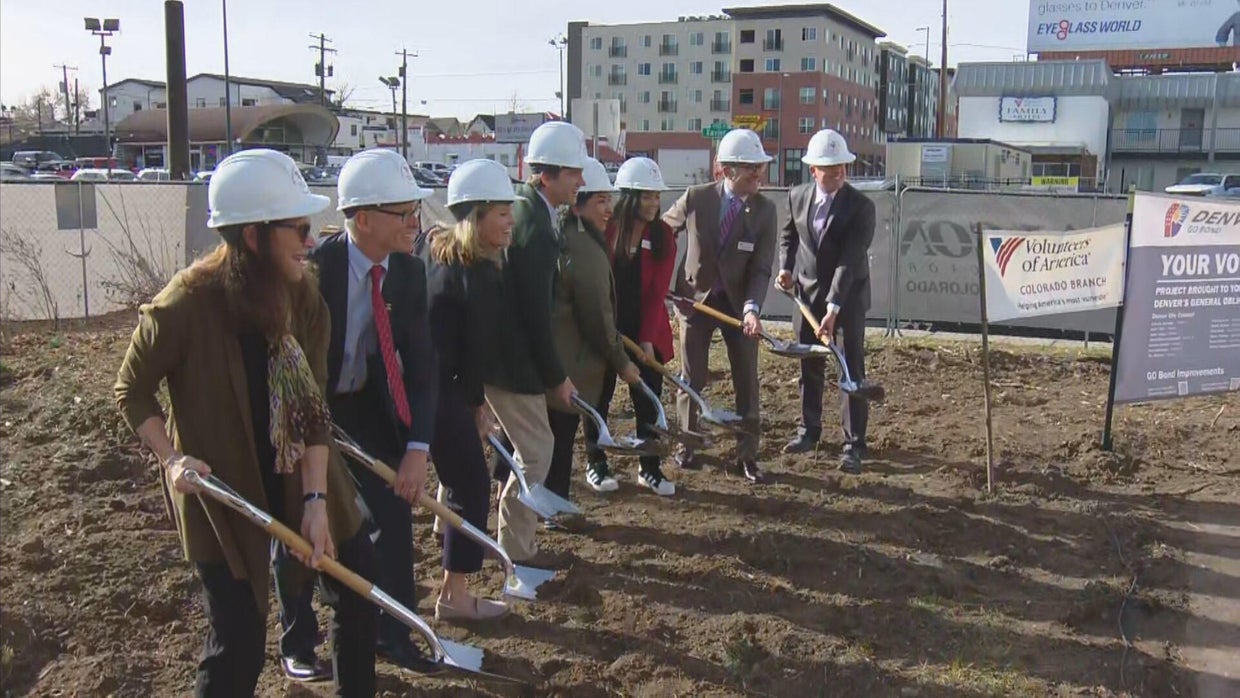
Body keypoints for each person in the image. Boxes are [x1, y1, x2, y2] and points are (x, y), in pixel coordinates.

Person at [114, 148, 379, 697]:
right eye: (298, 228)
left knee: (357, 581)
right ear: (253, 236)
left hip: (295, 469)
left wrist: (315, 503)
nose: (311, 241)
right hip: (220, 489)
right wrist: (172, 459)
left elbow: (312, 415)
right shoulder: (184, 306)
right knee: (237, 638)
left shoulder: (305, 300)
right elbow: (132, 390)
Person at [311, 148, 440, 673]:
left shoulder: (407, 273)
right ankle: (299, 640)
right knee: (307, 519)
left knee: (393, 511)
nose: (416, 223)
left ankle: (397, 632)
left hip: (367, 401)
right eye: (404, 214)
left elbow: (422, 367)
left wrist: (416, 448)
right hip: (313, 408)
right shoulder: (316, 274)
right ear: (362, 219)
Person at [487, 120, 585, 566]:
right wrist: (555, 377)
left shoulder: (531, 211)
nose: (580, 181)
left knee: (483, 442)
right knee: (537, 450)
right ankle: (517, 547)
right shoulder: (533, 228)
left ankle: (449, 525)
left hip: (502, 355)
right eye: (573, 173)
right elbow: (533, 315)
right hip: (513, 363)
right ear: (547, 176)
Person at [422, 158, 516, 621]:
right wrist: (480, 408)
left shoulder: (433, 249)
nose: (509, 222)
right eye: (501, 213)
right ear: (475, 216)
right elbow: (476, 353)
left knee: (452, 477)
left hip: (418, 382)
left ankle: (445, 558)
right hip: (443, 391)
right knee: (471, 484)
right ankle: (454, 597)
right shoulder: (481, 276)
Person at [663, 128, 778, 484]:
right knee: (691, 377)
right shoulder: (697, 198)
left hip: (738, 306)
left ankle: (747, 455)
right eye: (749, 167)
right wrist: (665, 285)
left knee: (747, 378)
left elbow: (761, 268)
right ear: (726, 170)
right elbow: (664, 231)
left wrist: (751, 309)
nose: (757, 173)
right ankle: (687, 443)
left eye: (760, 166)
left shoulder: (764, 211)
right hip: (694, 302)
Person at [776, 129, 875, 474]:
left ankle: (853, 444)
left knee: (850, 370)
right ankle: (809, 430)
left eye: (842, 168)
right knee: (809, 365)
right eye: (829, 169)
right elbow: (788, 235)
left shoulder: (861, 207)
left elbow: (850, 260)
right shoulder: (797, 196)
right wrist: (786, 269)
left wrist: (833, 308)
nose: (837, 174)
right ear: (812, 170)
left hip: (846, 302)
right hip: (806, 298)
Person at [546, 158, 644, 499]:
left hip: (560, 359)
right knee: (557, 442)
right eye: (601, 201)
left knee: (548, 441)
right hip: (569, 364)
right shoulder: (584, 250)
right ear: (578, 205)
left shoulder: (572, 237)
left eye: (610, 200)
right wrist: (622, 363)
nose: (609, 210)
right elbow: (598, 318)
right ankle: (554, 507)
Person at [588, 156, 678, 496]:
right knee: (599, 397)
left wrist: (645, 340)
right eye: (646, 196)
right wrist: (604, 329)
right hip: (605, 327)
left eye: (656, 196)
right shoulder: (607, 230)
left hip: (647, 331)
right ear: (628, 197)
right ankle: (596, 463)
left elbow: (657, 295)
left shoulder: (663, 236)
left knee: (647, 397)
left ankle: (649, 468)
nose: (654, 203)